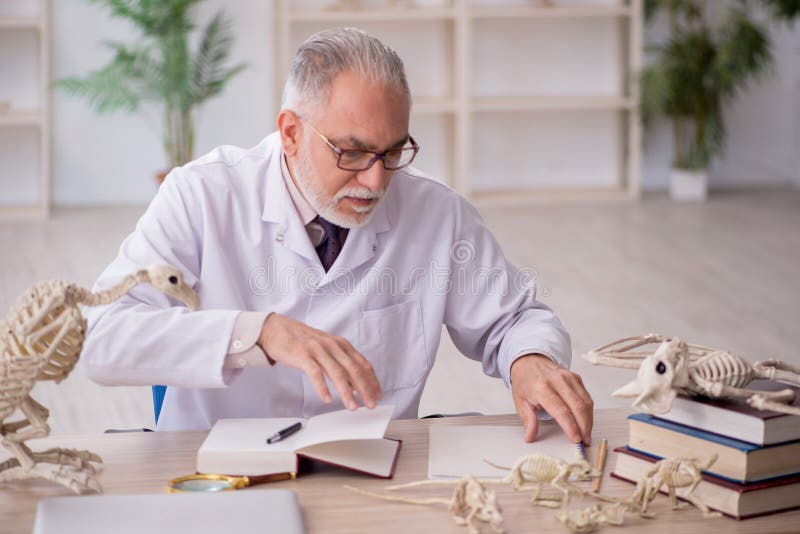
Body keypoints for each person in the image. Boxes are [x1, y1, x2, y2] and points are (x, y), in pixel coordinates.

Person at [82, 28, 593, 444]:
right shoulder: (202, 196)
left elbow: (516, 318)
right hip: (215, 474)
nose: (374, 181)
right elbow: (101, 338)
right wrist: (258, 332)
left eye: (392, 152)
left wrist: (531, 360)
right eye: (350, 152)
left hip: (371, 476)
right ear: (290, 133)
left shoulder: (437, 213)